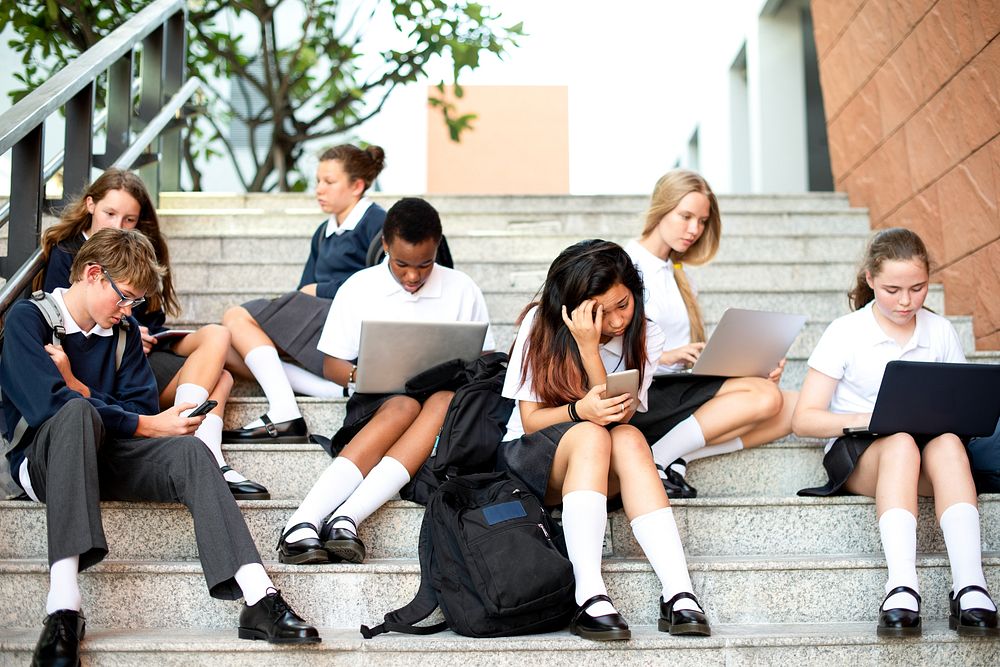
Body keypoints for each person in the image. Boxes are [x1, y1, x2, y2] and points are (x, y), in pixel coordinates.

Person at [2, 229, 319, 665]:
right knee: (74, 414)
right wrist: (93, 402)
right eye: (125, 297)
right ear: (93, 274)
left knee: (191, 450)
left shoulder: (125, 333)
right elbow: (46, 406)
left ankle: (258, 596)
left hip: (107, 455)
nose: (128, 310)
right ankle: (63, 608)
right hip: (44, 462)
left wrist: (77, 386)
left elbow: (137, 410)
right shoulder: (30, 318)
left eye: (134, 302)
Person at [496, 239, 710, 641]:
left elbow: (619, 416)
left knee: (628, 437)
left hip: (596, 463)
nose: (615, 322)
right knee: (592, 433)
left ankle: (679, 592)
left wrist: (590, 353)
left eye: (622, 305)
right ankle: (589, 593)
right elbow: (530, 422)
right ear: (572, 306)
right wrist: (581, 409)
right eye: (599, 311)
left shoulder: (647, 335)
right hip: (533, 463)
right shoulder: (538, 326)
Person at [792, 227, 998, 637]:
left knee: (949, 444)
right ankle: (901, 585)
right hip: (861, 452)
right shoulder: (845, 331)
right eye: (892, 289)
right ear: (870, 279)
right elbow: (804, 420)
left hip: (929, 451)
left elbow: (959, 405)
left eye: (918, 288)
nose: (906, 301)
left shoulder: (938, 331)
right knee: (901, 442)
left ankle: (970, 585)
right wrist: (877, 418)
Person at [276, 198, 494, 565]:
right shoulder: (359, 287)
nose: (413, 276)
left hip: (440, 412)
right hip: (378, 403)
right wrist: (361, 374)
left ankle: (348, 518)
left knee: (441, 400)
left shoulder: (462, 287)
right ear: (386, 247)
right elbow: (332, 363)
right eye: (402, 264)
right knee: (403, 404)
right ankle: (302, 520)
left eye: (424, 265)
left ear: (437, 247)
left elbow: (484, 356)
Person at [36, 168, 267, 499]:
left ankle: (199, 447)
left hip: (143, 347)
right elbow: (68, 316)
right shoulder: (69, 252)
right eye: (110, 213)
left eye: (129, 219)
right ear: (90, 205)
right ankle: (208, 456)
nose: (118, 225)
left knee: (217, 334)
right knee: (223, 379)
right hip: (105, 358)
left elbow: (153, 315)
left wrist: (141, 330)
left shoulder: (140, 250)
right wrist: (120, 326)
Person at [626, 170, 795, 498]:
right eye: (685, 216)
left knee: (794, 406)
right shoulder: (626, 265)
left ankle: (678, 454)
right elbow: (608, 348)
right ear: (661, 209)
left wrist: (754, 363)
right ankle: (657, 458)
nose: (694, 230)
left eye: (702, 221)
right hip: (649, 393)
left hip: (680, 385)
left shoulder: (679, 273)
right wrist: (664, 356)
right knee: (766, 396)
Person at [222, 145, 387, 441]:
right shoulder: (323, 231)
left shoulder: (376, 221)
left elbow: (386, 282)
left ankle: (285, 409)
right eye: (318, 181)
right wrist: (310, 292)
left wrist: (321, 289)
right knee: (226, 346)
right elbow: (303, 290)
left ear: (357, 186)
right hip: (317, 319)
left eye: (329, 181)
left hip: (346, 322)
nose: (319, 189)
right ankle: (332, 389)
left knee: (236, 317)